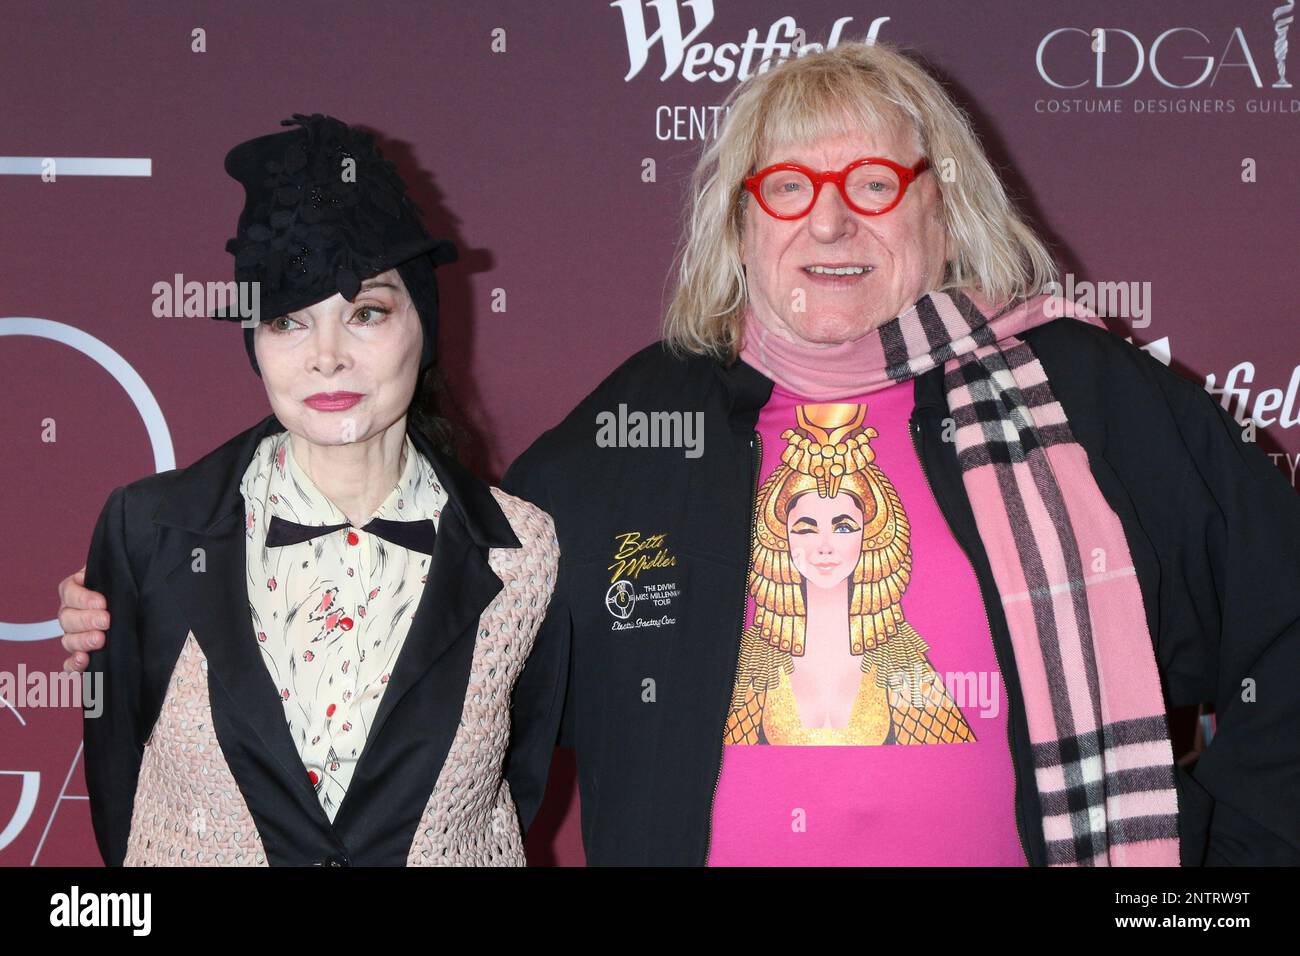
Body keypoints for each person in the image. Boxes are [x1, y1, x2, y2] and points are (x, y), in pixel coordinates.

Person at [63, 44, 1300, 866]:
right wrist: (168, 555)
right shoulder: (632, 429)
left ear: (943, 205)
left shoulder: (1079, 396)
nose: (829, 218)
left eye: (873, 181)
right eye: (785, 187)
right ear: (735, 221)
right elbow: (431, 578)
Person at [68, 113, 561, 866]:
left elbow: (512, 796)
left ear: (423, 324)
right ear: (256, 343)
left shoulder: (523, 550)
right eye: (288, 322)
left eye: (365, 313)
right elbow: (118, 801)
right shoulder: (151, 533)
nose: (327, 358)